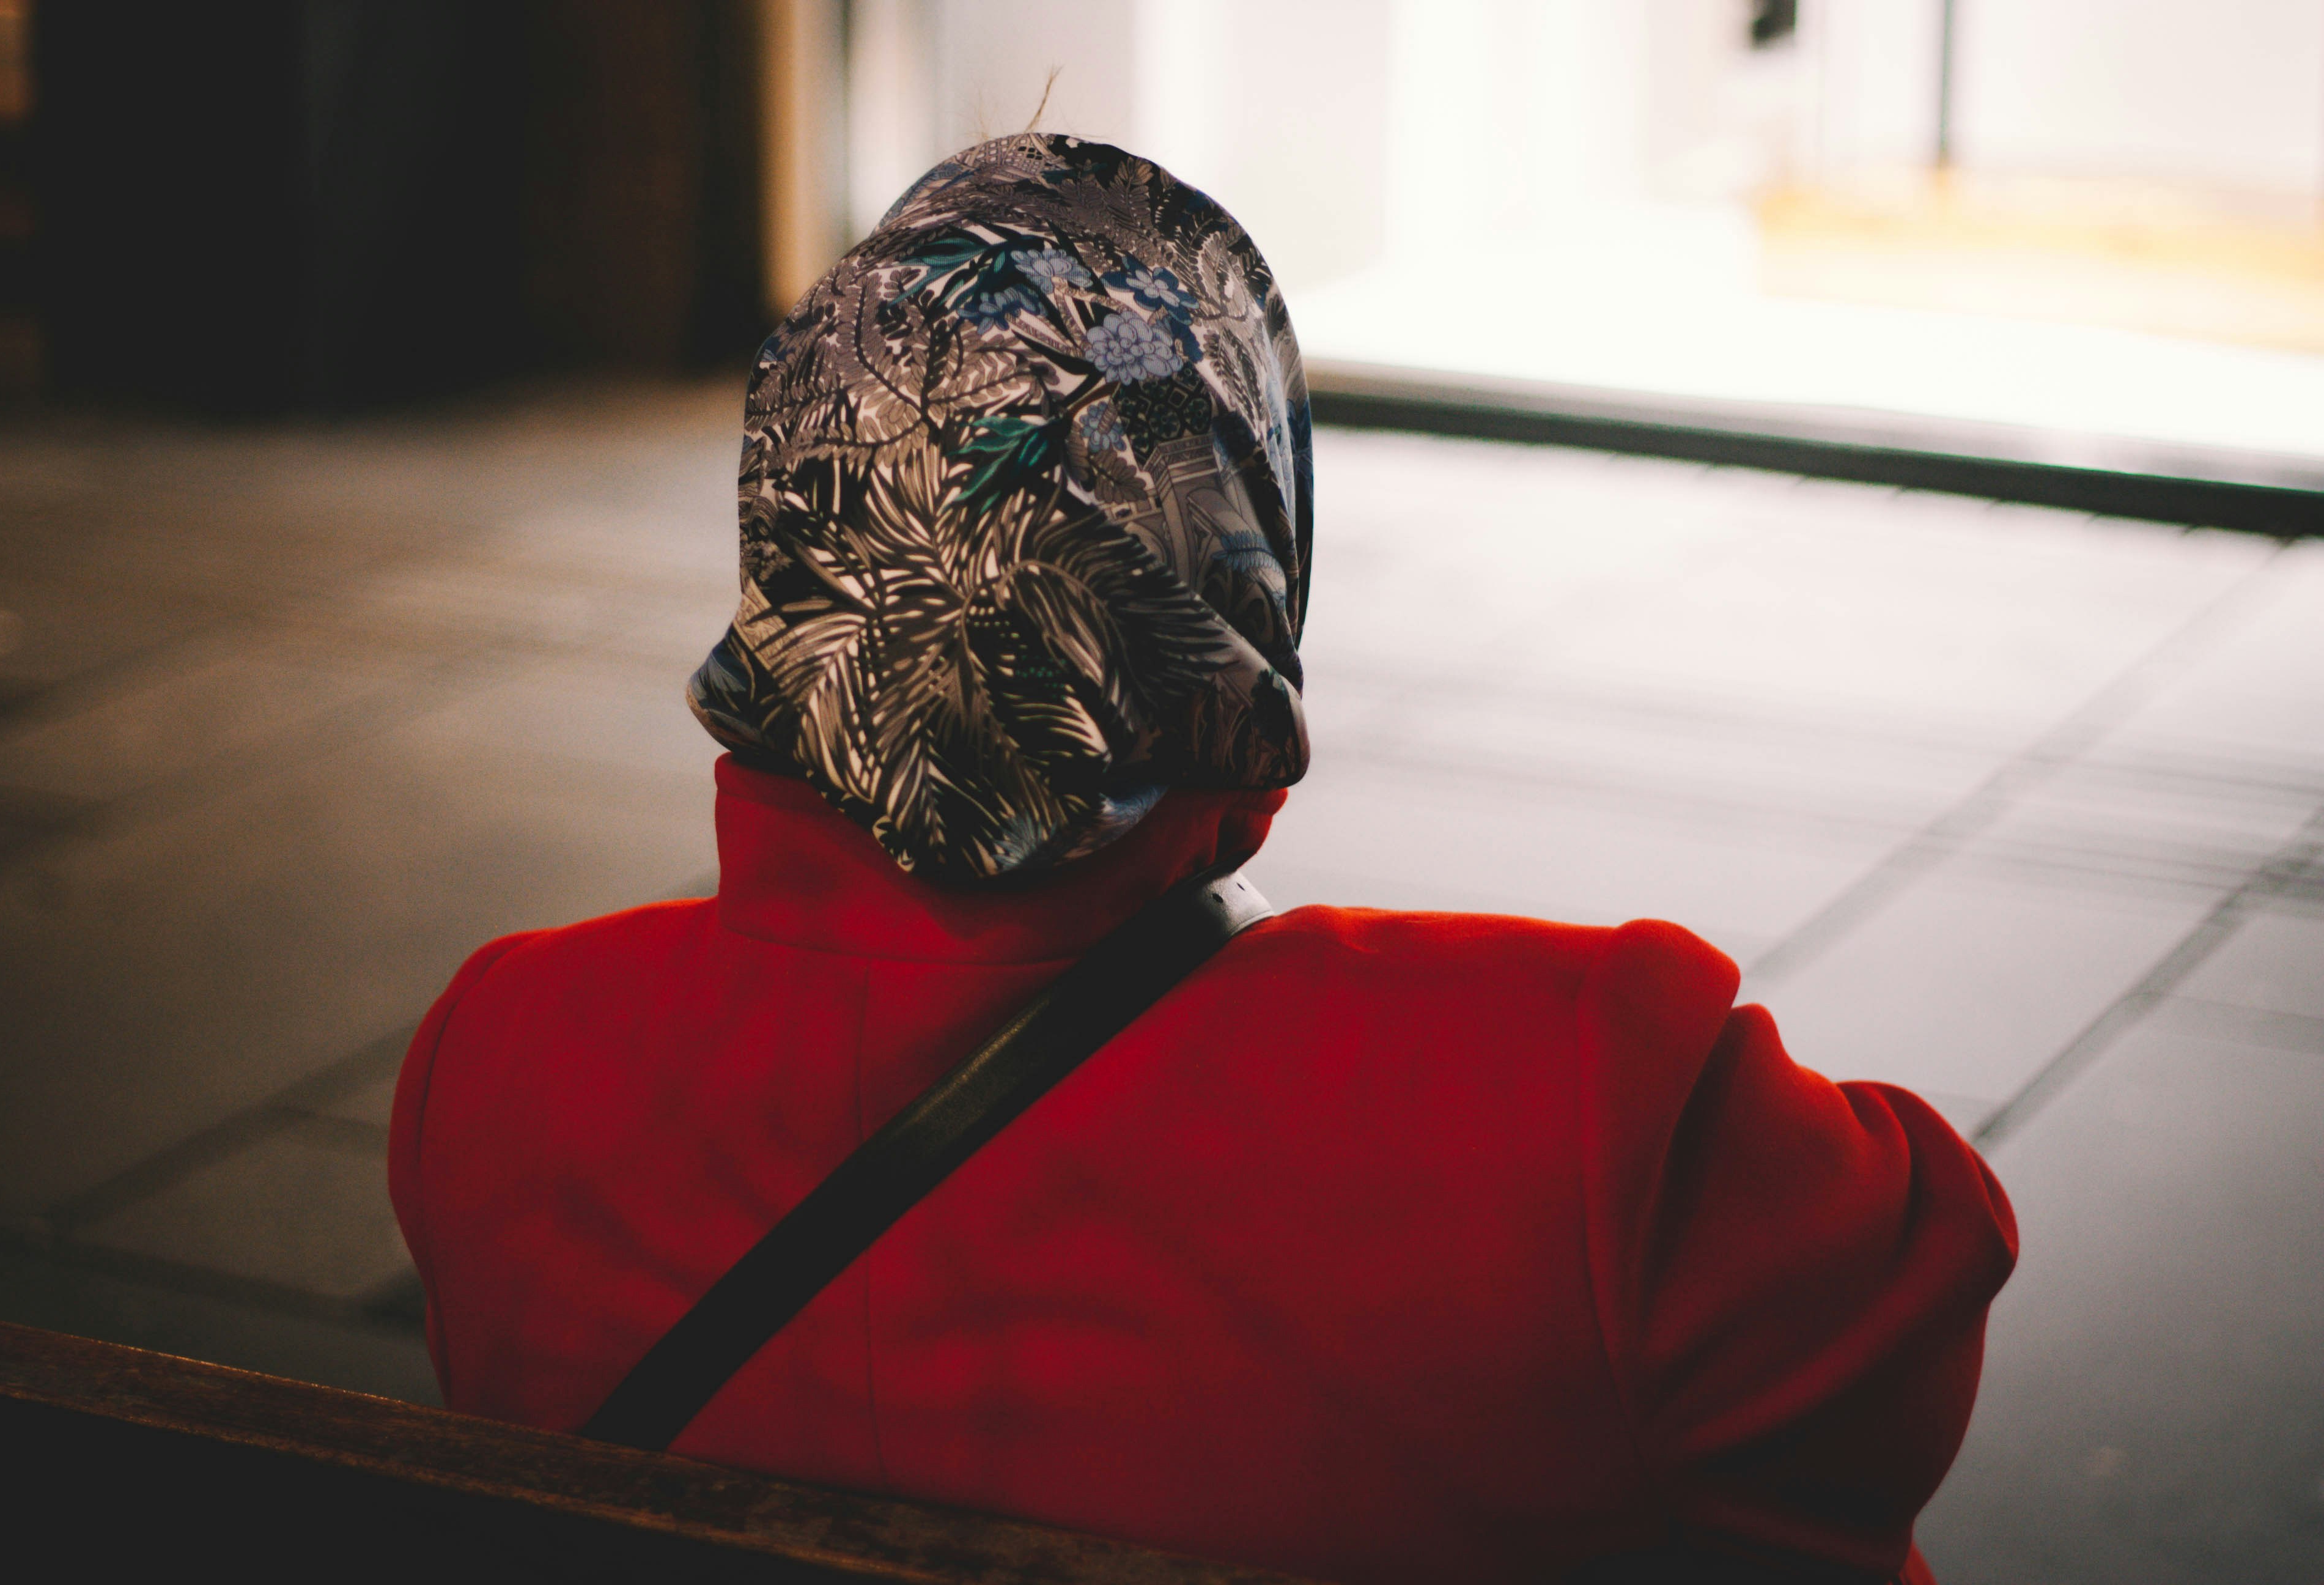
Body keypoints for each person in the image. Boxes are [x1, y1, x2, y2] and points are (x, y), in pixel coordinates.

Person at [389, 134, 2015, 1585]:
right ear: (1222, 589)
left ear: (795, 557)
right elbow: (1894, 1326)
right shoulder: (1603, 1105)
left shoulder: (497, 1066)